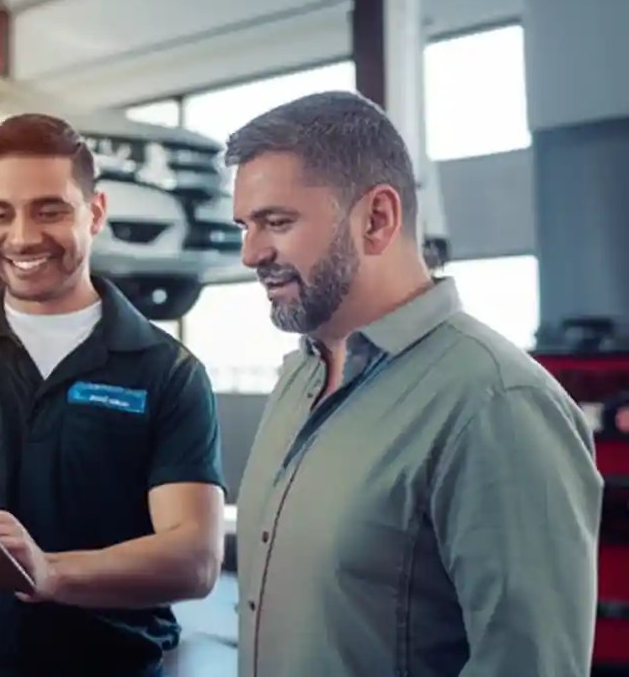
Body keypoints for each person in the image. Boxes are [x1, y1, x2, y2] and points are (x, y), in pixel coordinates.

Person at [228, 91, 604, 676]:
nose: (251, 253)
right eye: (246, 226)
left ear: (377, 218)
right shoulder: (301, 375)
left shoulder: (495, 403)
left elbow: (532, 665)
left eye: (277, 222)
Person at [0, 113, 227, 677]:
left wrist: (52, 573)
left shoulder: (166, 370)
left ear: (96, 213)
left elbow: (196, 560)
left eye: (50, 210)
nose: (24, 237)